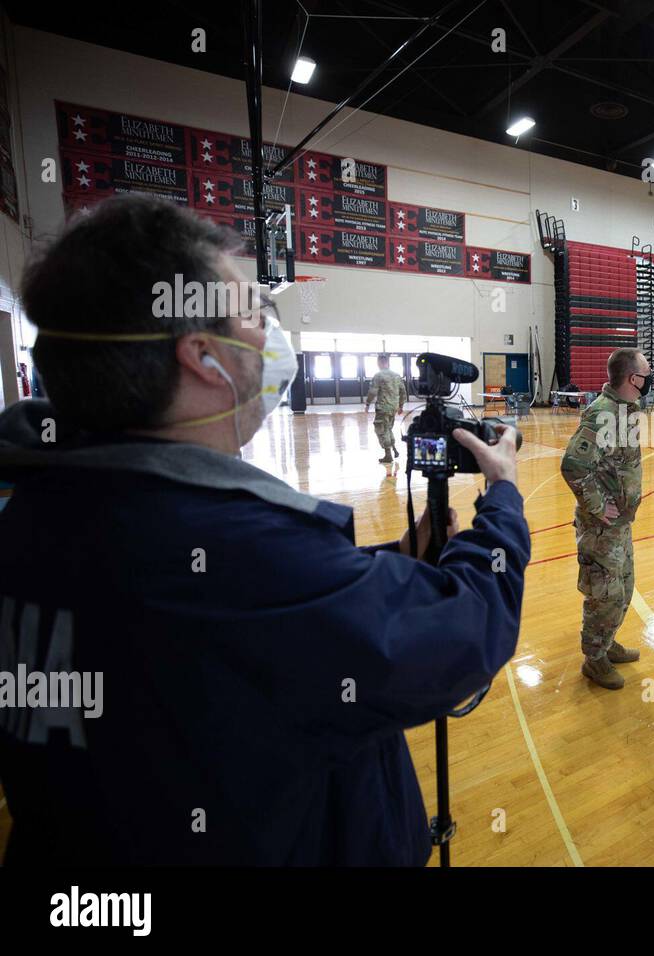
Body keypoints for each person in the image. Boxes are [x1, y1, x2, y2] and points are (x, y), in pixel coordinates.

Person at [0, 196, 529, 865]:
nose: (270, 334)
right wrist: (503, 498)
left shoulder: (37, 508)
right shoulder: (230, 552)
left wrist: (397, 557)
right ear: (204, 358)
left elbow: (248, 634)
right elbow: (466, 631)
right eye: (253, 312)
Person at [561, 348, 649, 690]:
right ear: (632, 379)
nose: (648, 378)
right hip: (600, 528)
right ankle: (594, 659)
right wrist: (598, 506)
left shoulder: (625, 410)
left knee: (622, 587)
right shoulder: (602, 414)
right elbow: (573, 465)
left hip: (620, 526)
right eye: (645, 373)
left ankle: (607, 641)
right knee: (605, 594)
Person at [364, 353, 408, 466]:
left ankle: (388, 455)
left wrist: (368, 403)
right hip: (393, 408)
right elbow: (403, 392)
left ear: (379, 363)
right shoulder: (397, 375)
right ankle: (394, 449)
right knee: (388, 428)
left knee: (381, 430)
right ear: (388, 363)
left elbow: (373, 392)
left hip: (383, 408)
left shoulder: (378, 375)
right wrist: (401, 406)